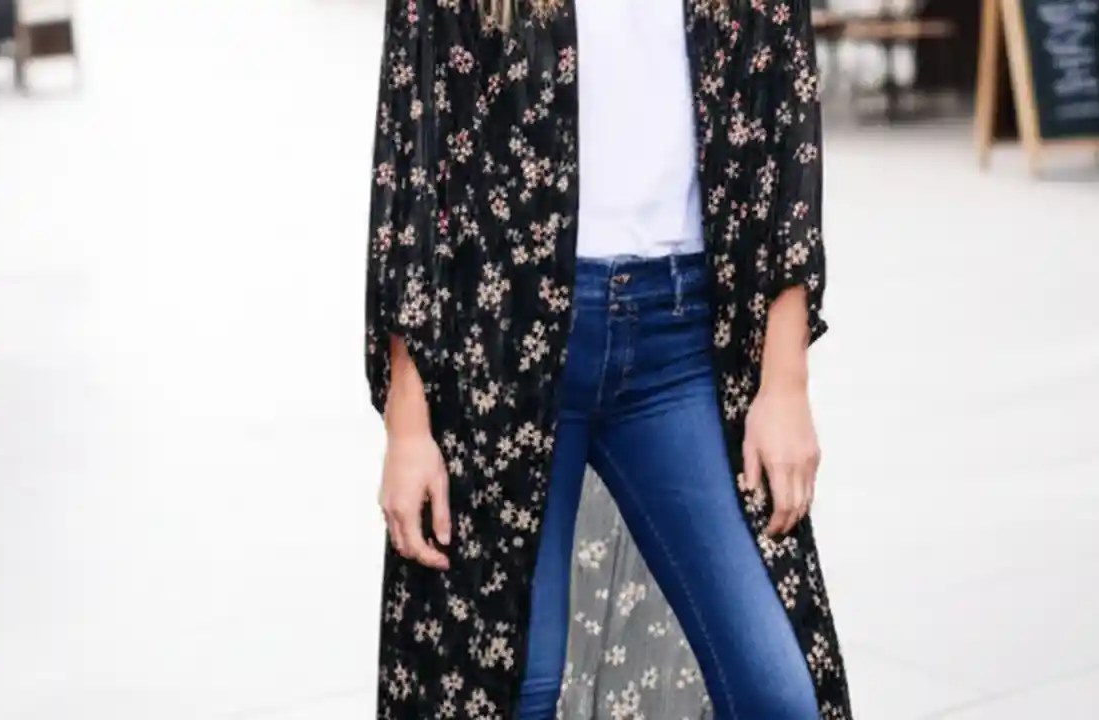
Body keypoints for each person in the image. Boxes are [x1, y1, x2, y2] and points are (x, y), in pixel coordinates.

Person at [365, 1, 853, 718]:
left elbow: (786, 127)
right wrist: (408, 427)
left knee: (779, 692)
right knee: (514, 691)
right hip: (504, 352)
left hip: (680, 349)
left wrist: (785, 386)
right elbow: (415, 158)